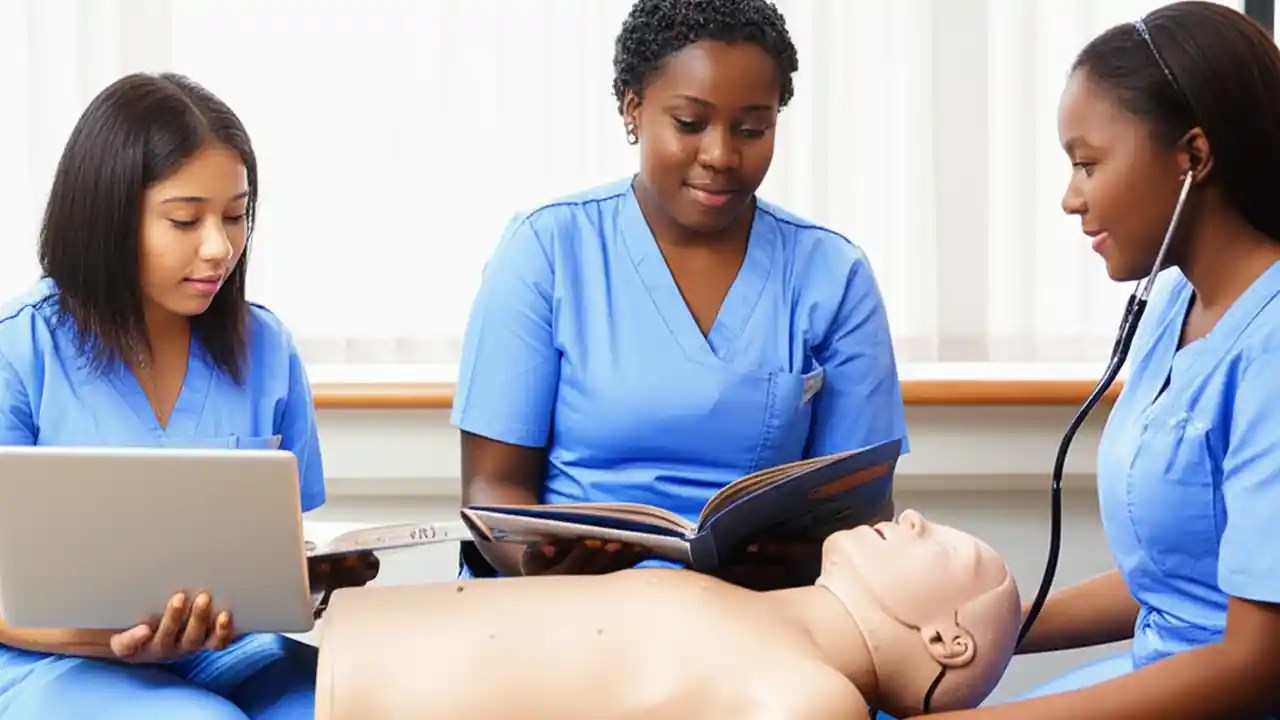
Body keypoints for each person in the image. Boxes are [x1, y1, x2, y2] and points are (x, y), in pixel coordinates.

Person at [451, 0, 908, 589]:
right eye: (690, 124)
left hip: (760, 615)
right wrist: (539, 563)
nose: (720, 156)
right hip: (569, 609)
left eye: (752, 129)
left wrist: (805, 561)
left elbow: (863, 507)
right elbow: (492, 489)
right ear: (633, 108)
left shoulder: (833, 274)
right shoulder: (545, 250)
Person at [928, 3, 1280, 718]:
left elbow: (1257, 661)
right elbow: (1179, 580)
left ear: (1194, 156)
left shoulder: (1271, 347)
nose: (1069, 198)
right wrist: (984, 631)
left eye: (1087, 163)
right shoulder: (1172, 308)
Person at [0, 72, 375, 719]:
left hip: (227, 650)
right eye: (184, 219)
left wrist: (313, 576)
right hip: (57, 662)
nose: (219, 247)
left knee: (355, 703)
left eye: (236, 215)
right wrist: (114, 640)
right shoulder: (21, 348)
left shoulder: (265, 346)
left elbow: (281, 549)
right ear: (105, 216)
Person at [314, 510, 1021, 719]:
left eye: (953, 547)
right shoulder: (760, 614)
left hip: (344, 701)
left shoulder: (811, 697)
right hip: (343, 653)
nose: (916, 517)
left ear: (945, 641)